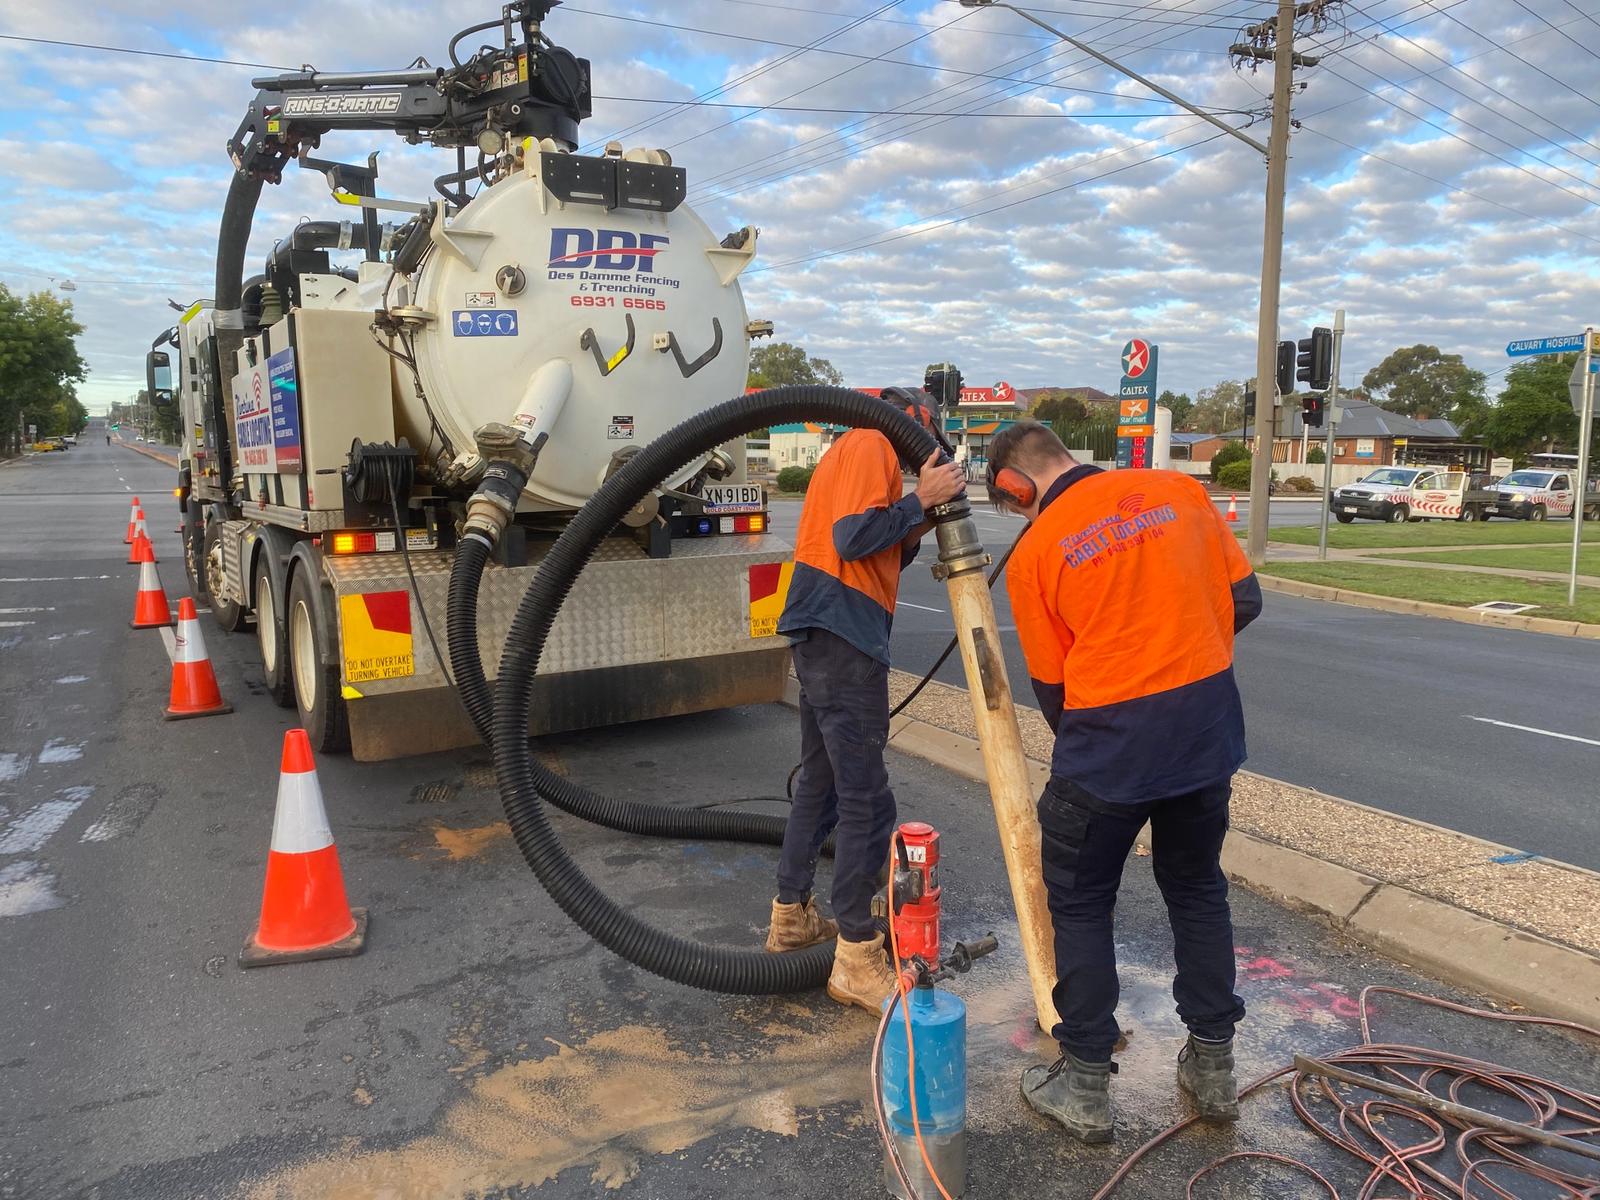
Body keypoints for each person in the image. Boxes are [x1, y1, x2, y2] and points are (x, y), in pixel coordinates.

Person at [984, 420, 1262, 1142]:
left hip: (1109, 750)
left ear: (1015, 486)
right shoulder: (1179, 490)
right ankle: (1213, 1070)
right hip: (1204, 735)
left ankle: (1082, 1087)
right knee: (1197, 888)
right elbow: (1246, 599)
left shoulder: (1037, 550)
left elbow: (1052, 690)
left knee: (1080, 902)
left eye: (1014, 504)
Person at [764, 394, 967, 1013]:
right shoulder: (871, 443)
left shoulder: (851, 452)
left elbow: (881, 544)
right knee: (867, 800)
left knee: (824, 784)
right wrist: (920, 498)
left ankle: (791, 918)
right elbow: (852, 541)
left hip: (828, 630)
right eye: (927, 436)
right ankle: (856, 953)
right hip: (842, 632)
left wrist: (921, 513)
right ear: (913, 421)